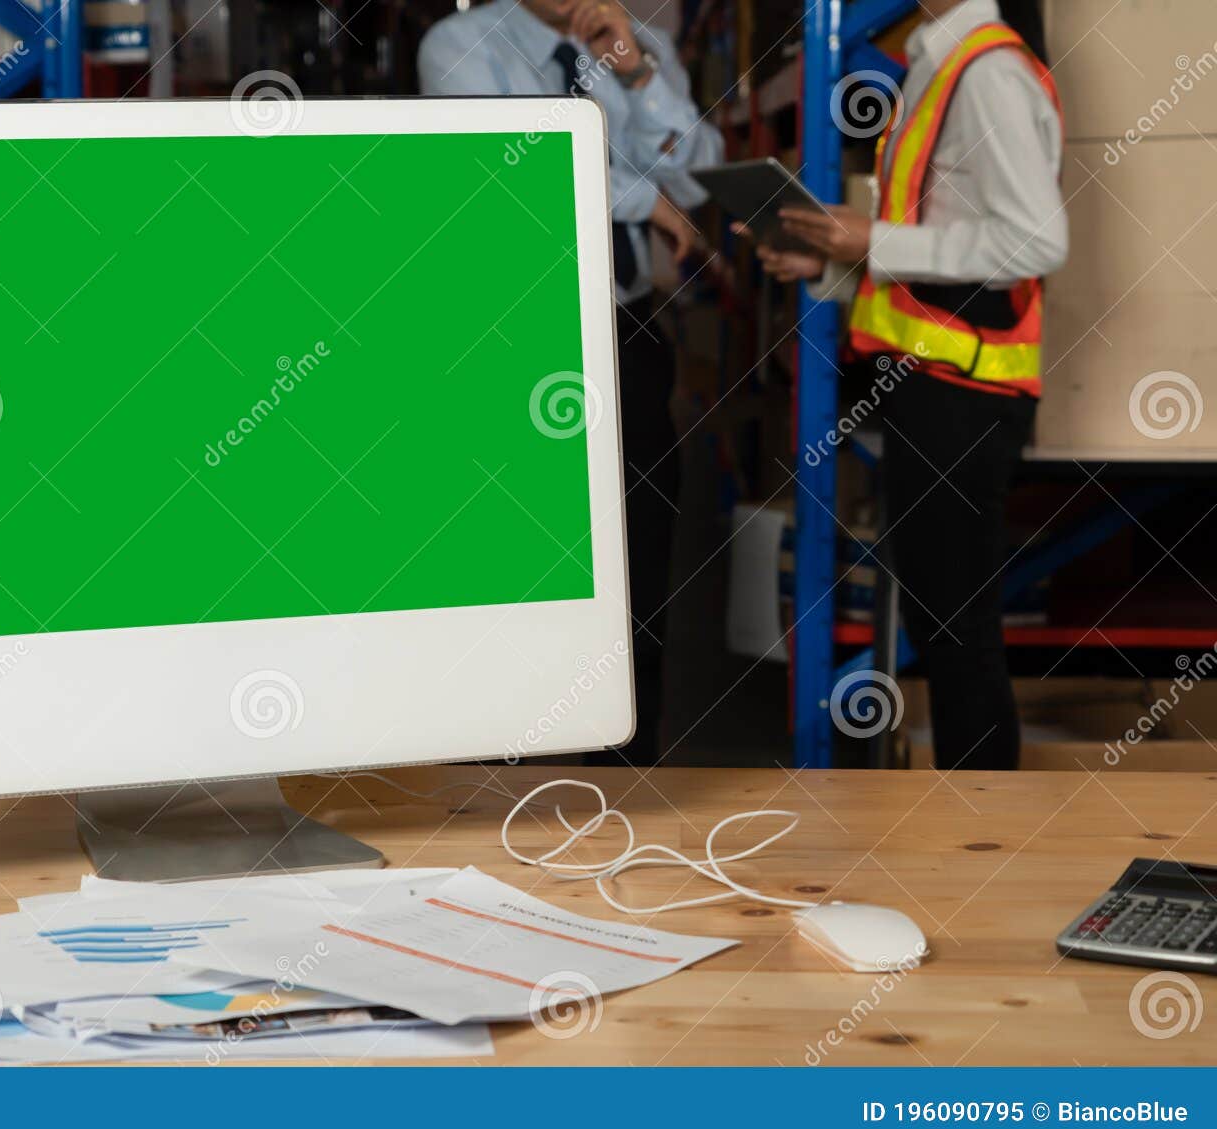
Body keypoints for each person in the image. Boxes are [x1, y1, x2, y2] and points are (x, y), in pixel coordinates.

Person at [750, 0, 1066, 770]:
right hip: (928, 386)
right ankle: (970, 815)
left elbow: (1034, 239)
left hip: (966, 393)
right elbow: (935, 243)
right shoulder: (937, 60)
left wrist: (871, 238)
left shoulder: (986, 71)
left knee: (959, 634)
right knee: (942, 624)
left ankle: (982, 821)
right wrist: (832, 257)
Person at [418, 0, 723, 765]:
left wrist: (639, 74)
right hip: (514, 336)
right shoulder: (460, 44)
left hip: (625, 331)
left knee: (640, 552)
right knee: (507, 572)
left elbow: (696, 172)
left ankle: (627, 773)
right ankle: (488, 777)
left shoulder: (637, 45)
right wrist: (644, 198)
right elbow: (511, 169)